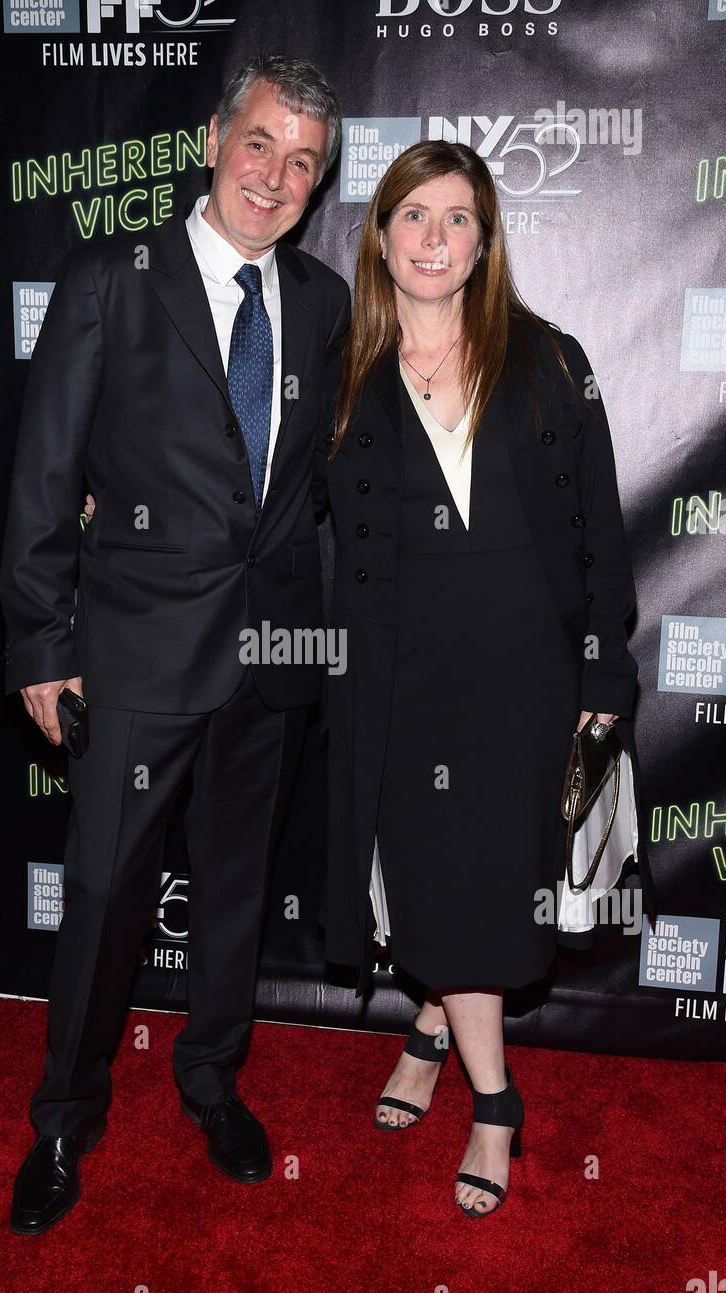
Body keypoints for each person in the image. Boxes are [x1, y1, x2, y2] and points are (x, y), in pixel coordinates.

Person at [0, 54, 350, 1235]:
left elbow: (315, 491)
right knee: (101, 895)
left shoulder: (325, 302)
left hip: (272, 661)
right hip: (136, 654)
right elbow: (44, 473)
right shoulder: (110, 279)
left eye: (303, 160)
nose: (276, 175)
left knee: (237, 893)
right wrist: (42, 643)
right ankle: (62, 1119)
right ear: (212, 140)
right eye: (260, 144)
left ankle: (210, 1077)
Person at [317, 140, 657, 1217]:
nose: (431, 237)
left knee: (493, 897)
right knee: (438, 886)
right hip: (403, 685)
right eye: (411, 214)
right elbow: (267, 515)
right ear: (379, 235)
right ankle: (496, 1100)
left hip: (528, 681)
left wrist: (604, 663)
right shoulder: (338, 376)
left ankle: (427, 1030)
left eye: (455, 218)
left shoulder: (549, 360)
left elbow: (600, 531)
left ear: (482, 240)